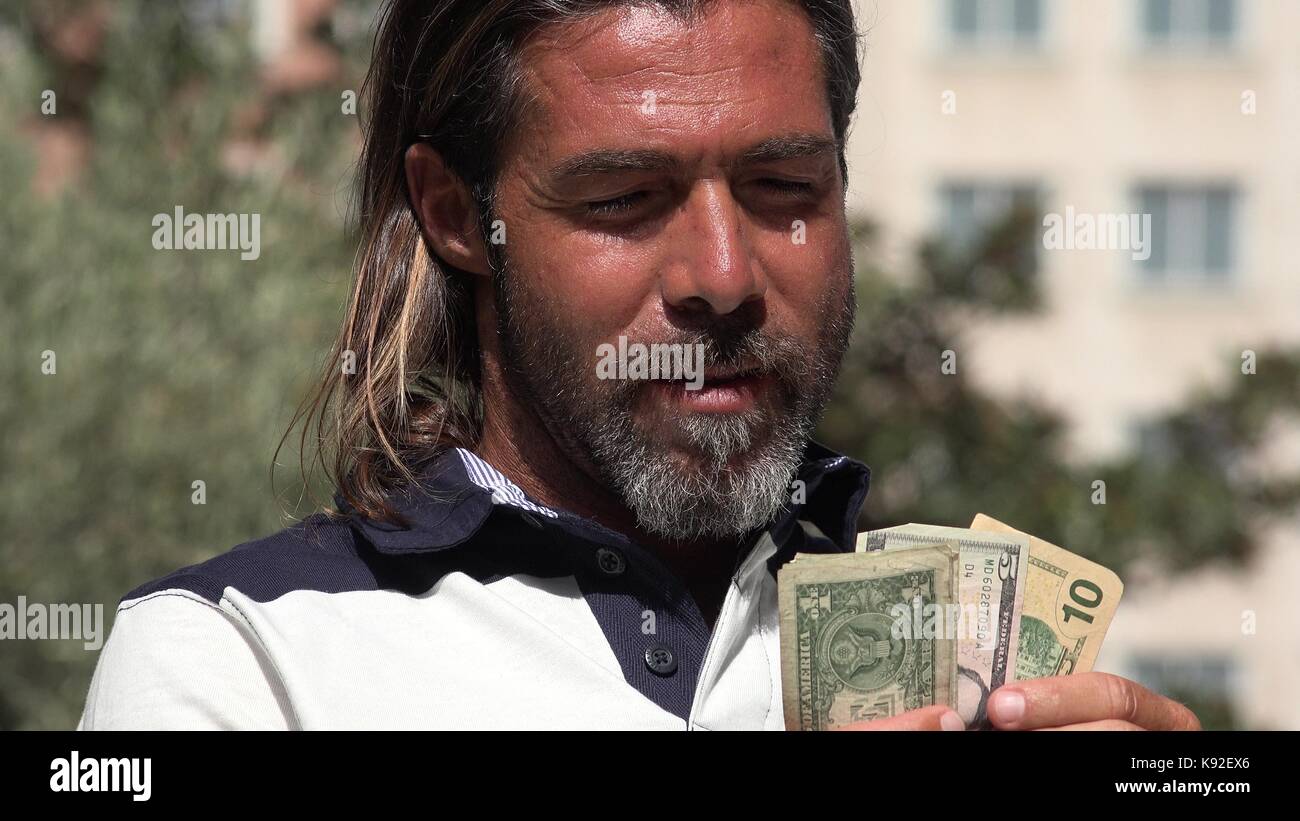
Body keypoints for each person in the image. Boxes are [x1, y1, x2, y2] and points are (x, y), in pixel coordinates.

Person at [78, 0, 1199, 731]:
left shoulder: (974, 654)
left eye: (784, 189)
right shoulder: (237, 652)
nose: (722, 273)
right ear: (457, 215)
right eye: (621, 199)